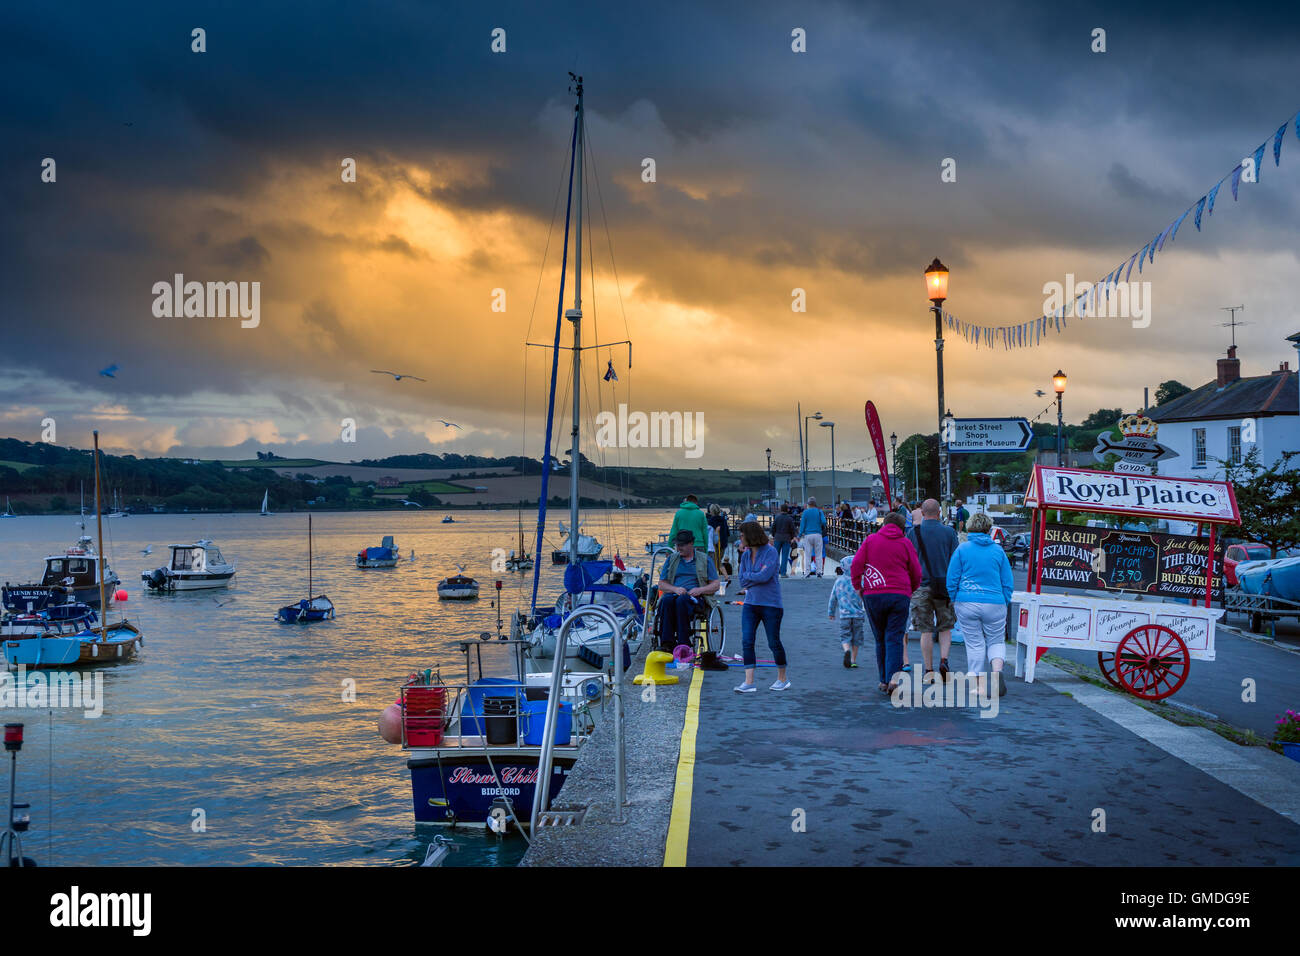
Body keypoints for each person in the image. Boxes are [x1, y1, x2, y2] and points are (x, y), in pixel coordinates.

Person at [851, 512, 922, 695]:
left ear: (884, 525)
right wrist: (910, 589)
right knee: (895, 637)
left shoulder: (870, 540)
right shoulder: (905, 543)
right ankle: (893, 678)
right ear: (901, 528)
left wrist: (858, 587)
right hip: (899, 594)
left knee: (880, 638)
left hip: (874, 594)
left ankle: (883, 680)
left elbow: (856, 565)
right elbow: (916, 571)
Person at [946, 512, 1014, 697]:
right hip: (994, 601)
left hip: (967, 601)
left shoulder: (962, 549)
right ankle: (997, 672)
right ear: (989, 529)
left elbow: (952, 578)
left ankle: (980, 686)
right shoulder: (998, 551)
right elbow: (1007, 581)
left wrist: (954, 598)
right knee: (996, 640)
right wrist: (1004, 599)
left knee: (975, 643)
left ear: (969, 528)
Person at [907, 498, 960, 683]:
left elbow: (908, 561)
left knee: (925, 630)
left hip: (921, 586)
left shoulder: (913, 533)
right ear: (939, 513)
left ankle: (928, 671)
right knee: (946, 627)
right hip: (943, 586)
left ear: (922, 512)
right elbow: (955, 561)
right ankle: (944, 661)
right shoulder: (949, 532)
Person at [734, 521, 789, 692]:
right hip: (750, 603)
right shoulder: (745, 555)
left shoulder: (770, 552)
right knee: (747, 641)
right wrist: (753, 576)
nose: (739, 538)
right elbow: (741, 580)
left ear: (750, 535)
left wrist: (750, 577)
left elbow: (765, 576)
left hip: (771, 604)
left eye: (742, 535)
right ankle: (749, 682)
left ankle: (783, 679)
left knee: (773, 642)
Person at [656, 530, 721, 653]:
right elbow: (661, 583)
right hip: (675, 593)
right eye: (677, 545)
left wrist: (700, 589)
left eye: (681, 545)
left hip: (696, 597)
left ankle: (684, 643)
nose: (678, 548)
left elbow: (716, 584)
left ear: (691, 544)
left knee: (682, 601)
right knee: (666, 600)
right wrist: (675, 589)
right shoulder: (671, 559)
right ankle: (667, 643)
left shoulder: (704, 559)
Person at [828, 555, 866, 668]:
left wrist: (831, 612)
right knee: (857, 638)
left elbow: (833, 598)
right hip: (858, 615)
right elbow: (866, 597)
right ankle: (853, 660)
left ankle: (846, 650)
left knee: (845, 636)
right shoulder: (859, 581)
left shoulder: (838, 582)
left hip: (844, 615)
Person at [798, 496, 826, 577]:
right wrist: (820, 525)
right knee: (818, 554)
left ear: (808, 504)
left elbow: (802, 525)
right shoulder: (819, 511)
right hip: (818, 534)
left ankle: (807, 572)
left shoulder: (805, 512)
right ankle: (819, 572)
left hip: (808, 535)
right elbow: (824, 522)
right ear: (815, 504)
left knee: (807, 554)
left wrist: (799, 535)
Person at [770, 503, 797, 577]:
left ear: (781, 509)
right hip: (786, 538)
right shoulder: (789, 518)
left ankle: (775, 572)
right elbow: (792, 529)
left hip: (777, 538)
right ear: (787, 510)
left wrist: (774, 535)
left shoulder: (777, 518)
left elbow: (773, 528)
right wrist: (792, 537)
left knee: (776, 556)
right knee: (785, 556)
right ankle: (783, 573)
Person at [706, 504, 730, 573]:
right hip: (723, 543)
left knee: (713, 562)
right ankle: (724, 576)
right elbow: (728, 533)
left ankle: (715, 577)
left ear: (711, 511)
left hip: (714, 544)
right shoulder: (724, 520)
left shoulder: (710, 521)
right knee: (719, 560)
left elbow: (709, 534)